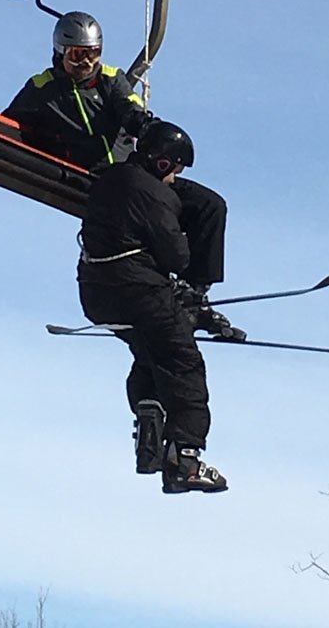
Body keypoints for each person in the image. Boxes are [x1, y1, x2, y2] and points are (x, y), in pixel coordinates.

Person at [5, 11, 245, 339]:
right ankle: (160, 287)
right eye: (78, 55)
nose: (86, 63)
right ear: (61, 52)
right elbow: (7, 127)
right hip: (96, 179)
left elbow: (129, 107)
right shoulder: (42, 88)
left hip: (130, 170)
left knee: (209, 206)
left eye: (93, 54)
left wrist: (144, 126)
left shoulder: (110, 78)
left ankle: (196, 292)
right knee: (155, 214)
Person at [77, 120, 227, 493]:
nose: (176, 179)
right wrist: (185, 284)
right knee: (183, 364)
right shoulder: (154, 194)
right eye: (175, 169)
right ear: (162, 163)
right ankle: (185, 460)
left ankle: (149, 410)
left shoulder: (110, 178)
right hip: (141, 293)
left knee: (151, 352)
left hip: (96, 296)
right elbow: (175, 257)